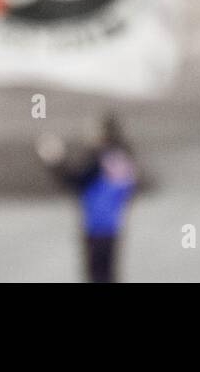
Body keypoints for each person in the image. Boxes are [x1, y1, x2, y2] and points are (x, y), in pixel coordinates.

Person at [37, 115, 137, 283]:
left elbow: (74, 181)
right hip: (114, 224)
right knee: (108, 275)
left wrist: (55, 160)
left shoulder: (99, 158)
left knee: (97, 276)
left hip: (95, 225)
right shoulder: (124, 156)